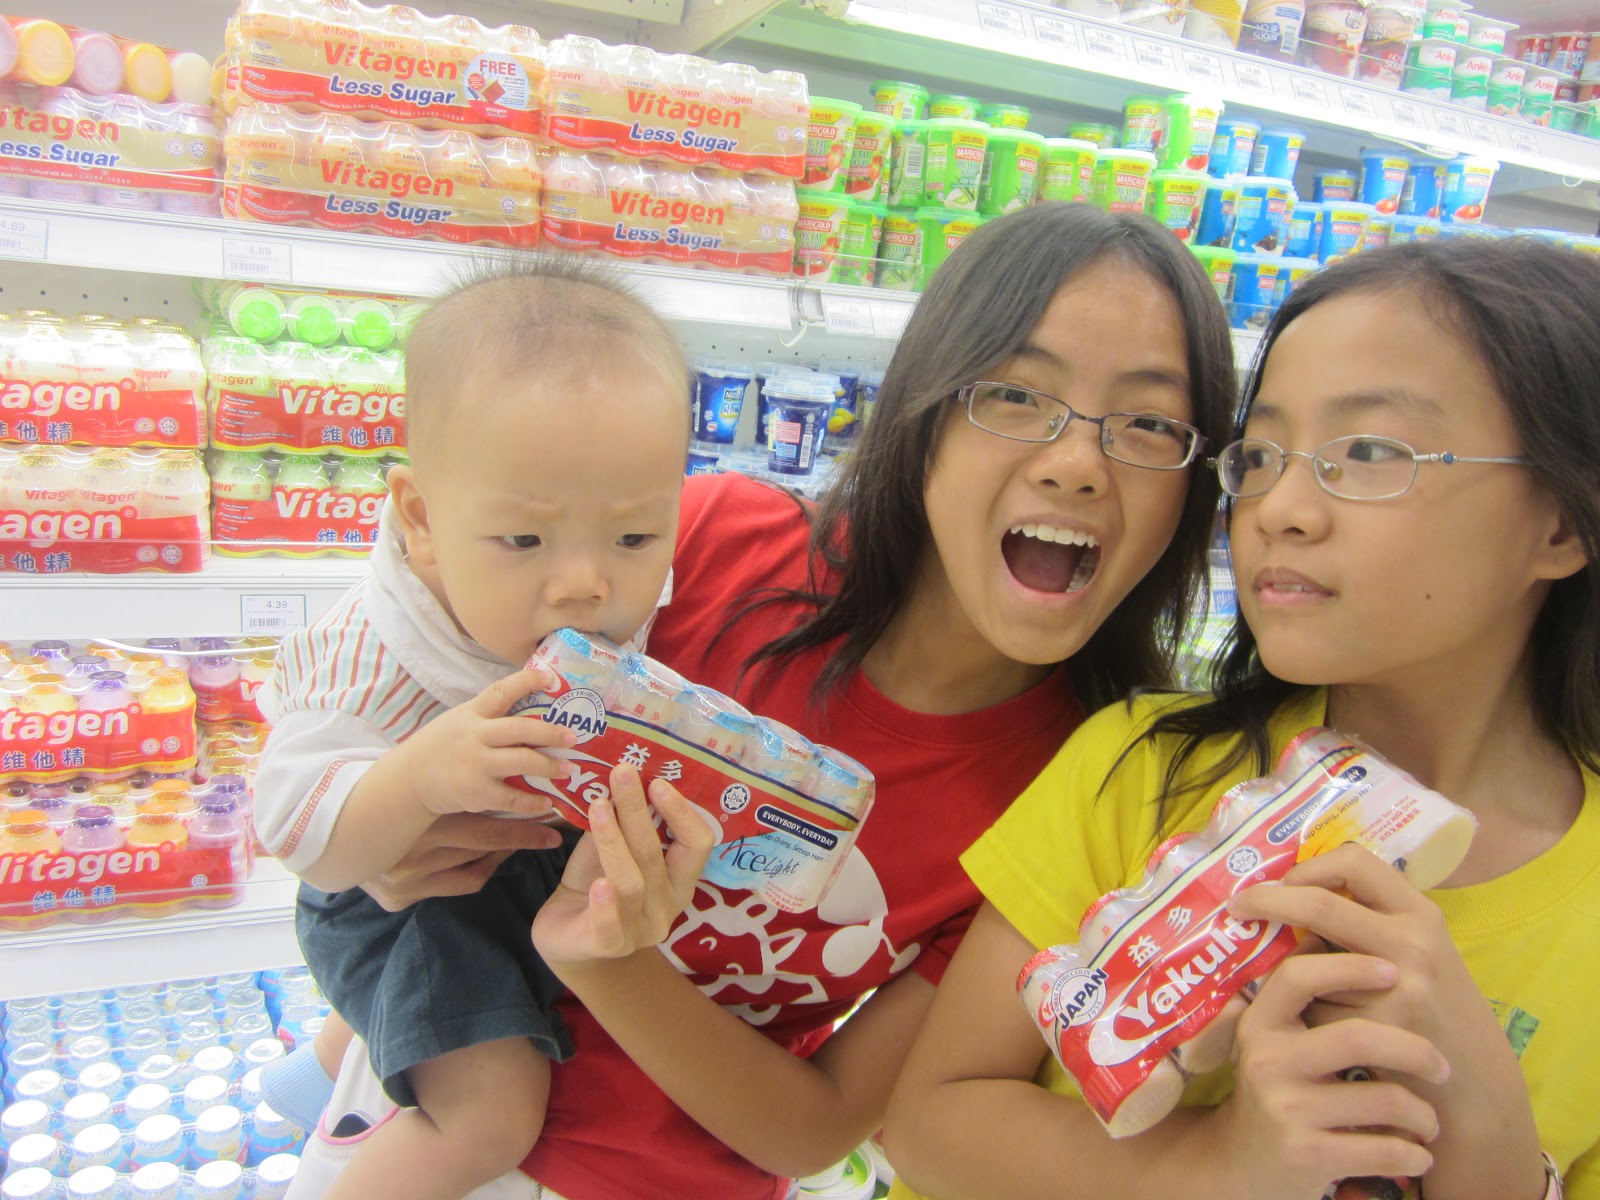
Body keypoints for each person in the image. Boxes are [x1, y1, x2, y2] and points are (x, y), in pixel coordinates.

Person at [286, 201, 1238, 1200]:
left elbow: (816, 1125)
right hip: (428, 1135)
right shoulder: (702, 545)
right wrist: (393, 845)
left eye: (1146, 424)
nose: (1075, 464)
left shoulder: (1073, 794)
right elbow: (403, 696)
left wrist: (608, 959)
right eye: (1014, 394)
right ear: (924, 412)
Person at [883, 235, 1600, 1200]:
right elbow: (929, 1123)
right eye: (1259, 455)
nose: (1280, 510)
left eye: (1370, 452)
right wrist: (1216, 1162)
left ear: (1560, 520)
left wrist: (1497, 1152)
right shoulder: (1142, 771)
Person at [251, 257, 699, 1200]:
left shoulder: (594, 603)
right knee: (493, 1113)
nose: (587, 583)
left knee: (421, 1028)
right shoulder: (370, 657)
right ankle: (340, 1170)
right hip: (402, 899)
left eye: (633, 538)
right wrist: (417, 777)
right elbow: (300, 841)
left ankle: (315, 1075)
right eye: (525, 541)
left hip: (512, 876)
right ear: (419, 517)